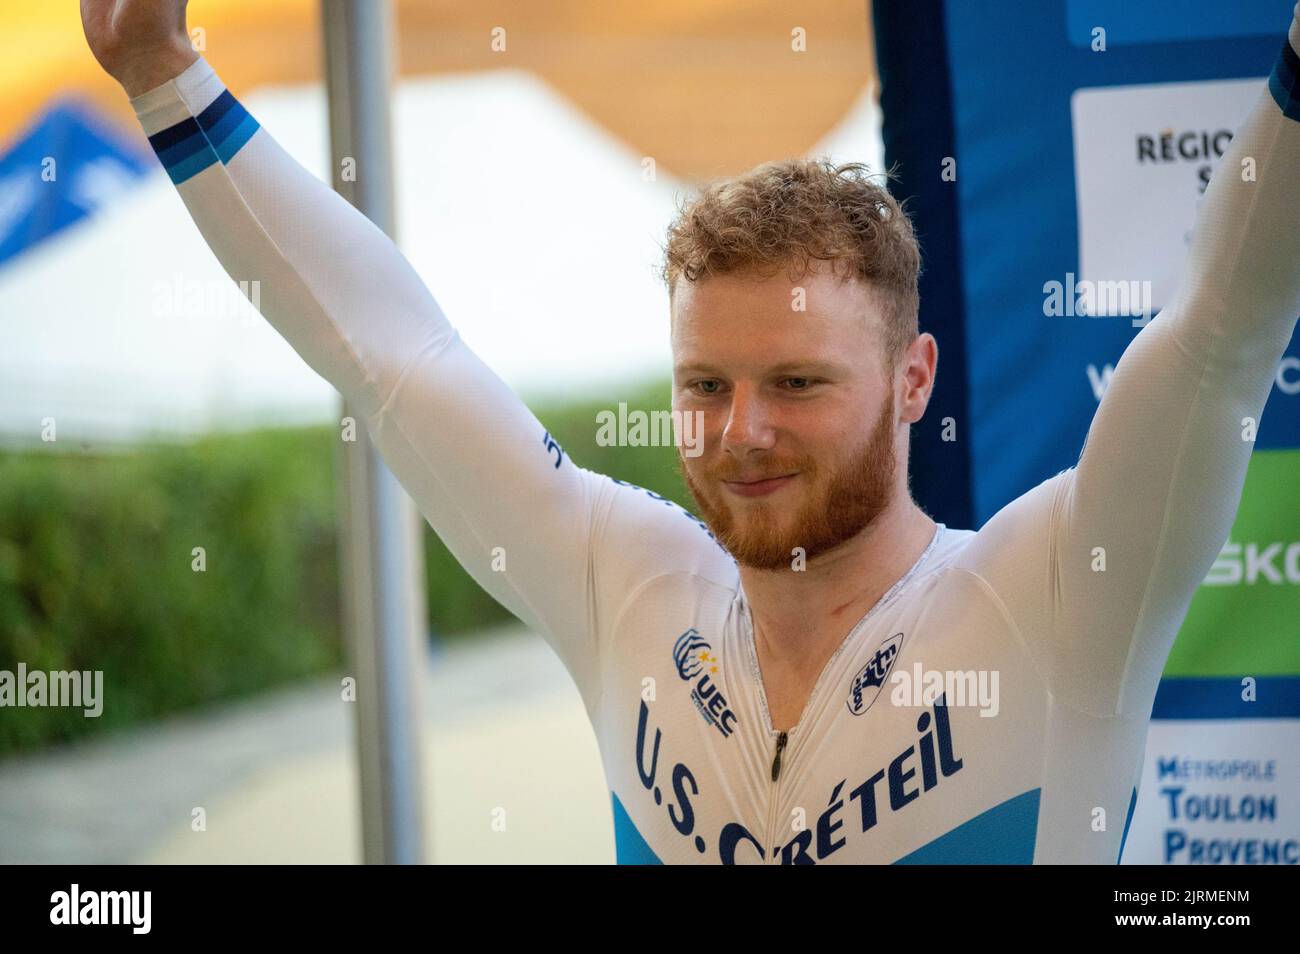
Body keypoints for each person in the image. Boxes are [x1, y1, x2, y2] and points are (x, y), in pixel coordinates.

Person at [81, 0, 1300, 863]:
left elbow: (1222, 326)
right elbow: (391, 353)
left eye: (798, 383)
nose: (742, 433)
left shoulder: (1058, 592)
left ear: (914, 379)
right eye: (704, 384)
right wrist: (161, 72)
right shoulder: (627, 581)